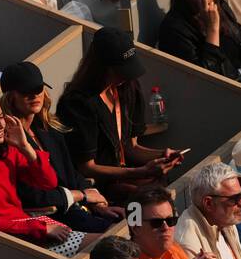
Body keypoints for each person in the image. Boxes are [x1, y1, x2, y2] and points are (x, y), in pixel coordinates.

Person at [0, 91, 90, 257]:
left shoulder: (5, 150)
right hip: (6, 242)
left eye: (2, 117)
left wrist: (25, 147)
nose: (1, 125)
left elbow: (48, 182)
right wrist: (39, 228)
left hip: (28, 227)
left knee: (103, 245)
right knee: (98, 248)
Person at [56, 26, 187, 203]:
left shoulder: (128, 88)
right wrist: (140, 172)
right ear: (102, 67)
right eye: (121, 70)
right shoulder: (77, 103)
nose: (126, 76)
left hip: (128, 176)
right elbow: (87, 168)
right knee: (147, 200)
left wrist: (162, 155)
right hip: (101, 187)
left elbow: (131, 147)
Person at [0, 61, 123, 234]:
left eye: (38, 89)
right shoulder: (6, 141)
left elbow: (71, 173)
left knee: (128, 221)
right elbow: (27, 194)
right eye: (26, 92)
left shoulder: (49, 128)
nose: (34, 95)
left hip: (74, 208)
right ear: (10, 97)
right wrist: (82, 195)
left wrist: (96, 203)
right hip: (48, 217)